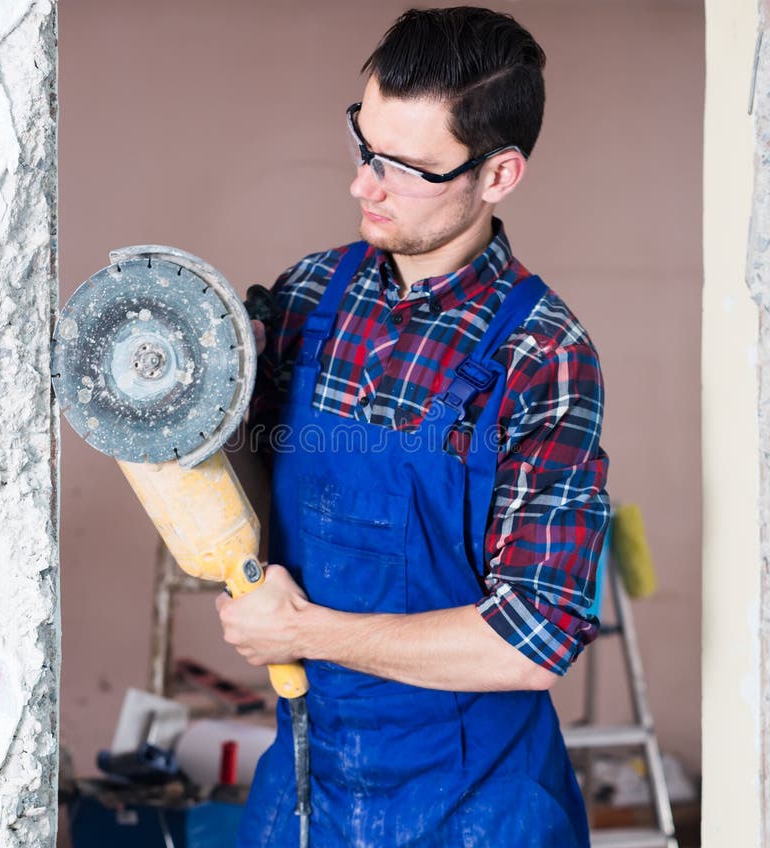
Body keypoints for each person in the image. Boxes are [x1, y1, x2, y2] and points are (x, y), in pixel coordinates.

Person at [216, 7, 609, 846]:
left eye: (406, 167)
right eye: (366, 147)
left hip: (477, 806)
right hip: (305, 790)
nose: (366, 184)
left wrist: (302, 632)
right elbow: (236, 474)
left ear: (497, 175)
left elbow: (532, 643)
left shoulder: (541, 356)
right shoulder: (309, 296)